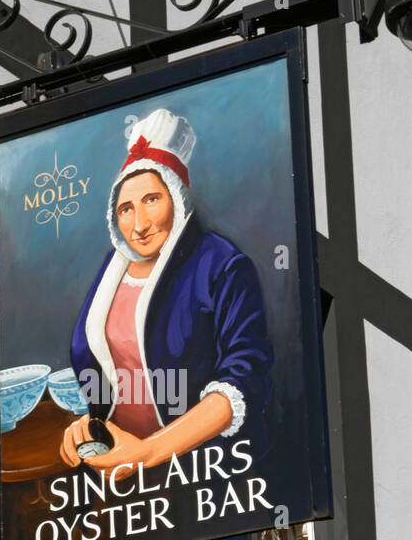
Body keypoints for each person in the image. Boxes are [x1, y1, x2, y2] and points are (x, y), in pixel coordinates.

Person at [59, 107, 273, 473]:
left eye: (151, 200)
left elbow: (244, 377)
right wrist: (88, 426)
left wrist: (147, 453)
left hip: (200, 469)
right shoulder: (114, 269)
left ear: (177, 198)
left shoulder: (221, 264)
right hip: (119, 468)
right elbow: (107, 368)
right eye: (125, 208)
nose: (138, 224)